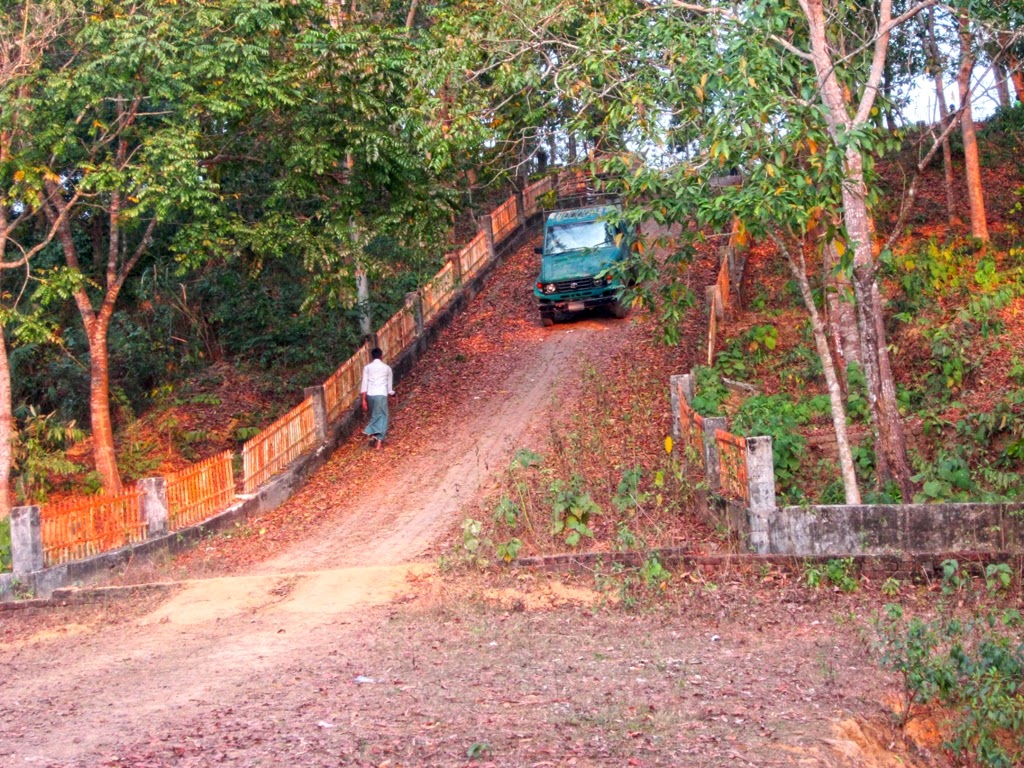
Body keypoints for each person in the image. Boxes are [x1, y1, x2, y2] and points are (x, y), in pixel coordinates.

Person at [360, 347, 394, 449]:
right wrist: (391, 394)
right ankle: (375, 437)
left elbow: (364, 385)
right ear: (381, 356)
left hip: (370, 395)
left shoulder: (367, 368)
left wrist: (363, 400)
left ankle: (374, 436)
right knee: (383, 416)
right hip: (381, 394)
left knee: (374, 415)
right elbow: (389, 387)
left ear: (372, 357)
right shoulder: (387, 368)